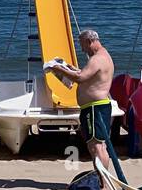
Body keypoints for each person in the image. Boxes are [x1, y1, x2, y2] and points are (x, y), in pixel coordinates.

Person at [47, 27, 115, 169]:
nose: (83, 50)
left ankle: (103, 183)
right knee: (95, 145)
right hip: (93, 107)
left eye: (83, 45)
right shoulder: (101, 57)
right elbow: (86, 74)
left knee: (97, 146)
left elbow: (80, 78)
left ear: (90, 41)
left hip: (95, 108)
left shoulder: (98, 59)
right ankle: (101, 180)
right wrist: (68, 68)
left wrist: (57, 69)